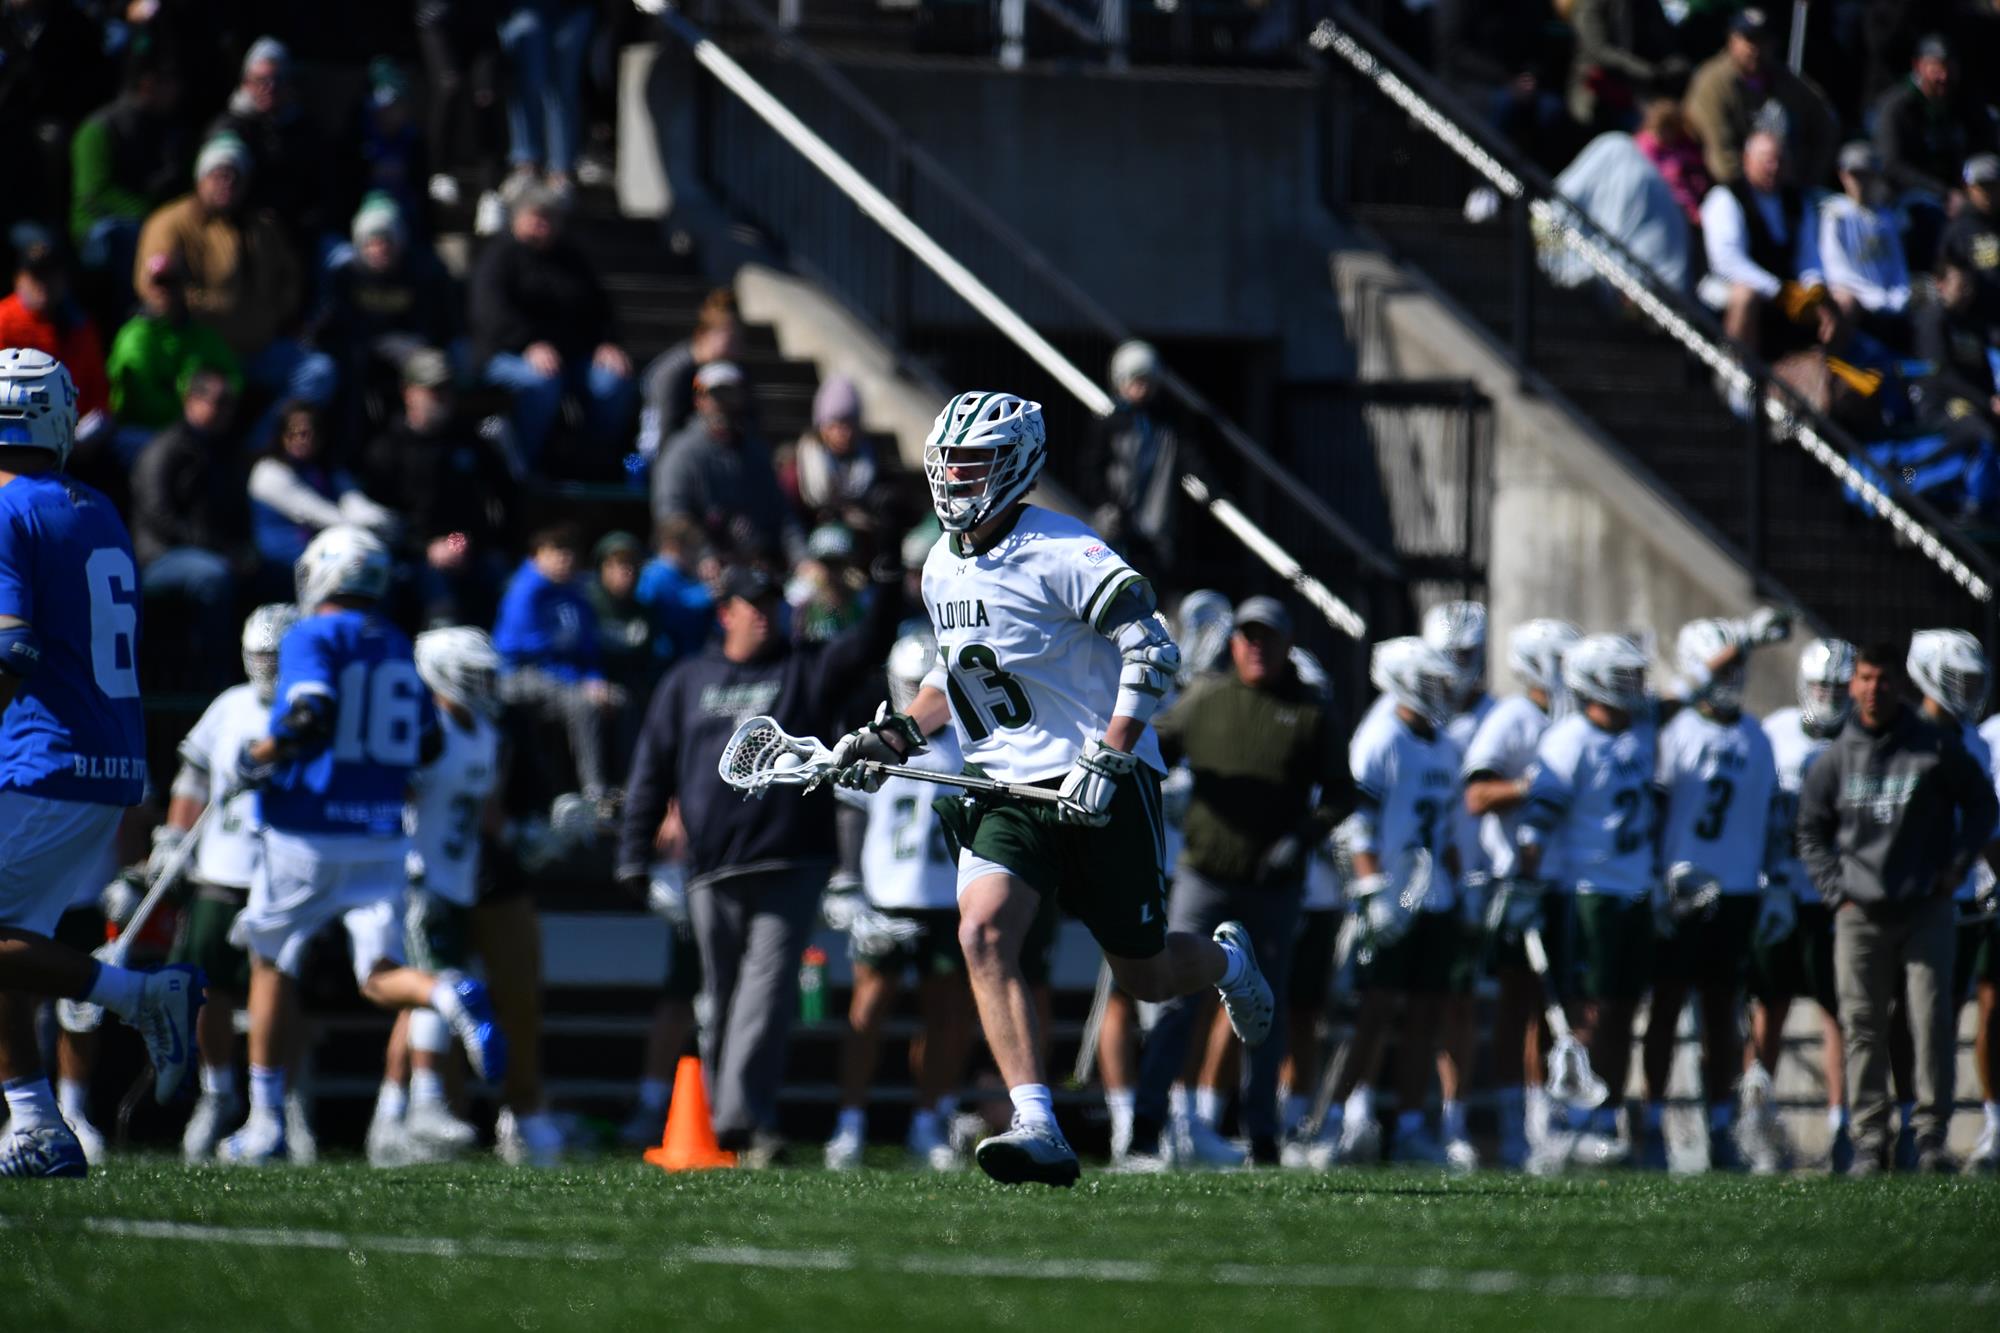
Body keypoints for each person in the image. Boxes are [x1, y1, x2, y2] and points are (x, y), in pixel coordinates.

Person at [819, 390, 1277, 1187]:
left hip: (1099, 781)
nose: (955, 478)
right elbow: (954, 675)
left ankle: (1227, 961)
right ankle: (1038, 1122)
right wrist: (895, 733)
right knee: (983, 931)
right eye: (947, 463)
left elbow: (1153, 648)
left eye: (972, 464)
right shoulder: (941, 561)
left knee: (1145, 974)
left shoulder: (1064, 548)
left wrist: (1110, 752)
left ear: (1017, 464)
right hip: (1005, 788)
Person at [218, 525, 507, 1164]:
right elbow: (427, 743)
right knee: (378, 976)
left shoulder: (312, 636)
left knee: (271, 962)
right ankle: (443, 992)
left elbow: (308, 714)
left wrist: (258, 755)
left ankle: (264, 1123)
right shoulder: (397, 644)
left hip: (307, 829)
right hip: (378, 836)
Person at [616, 559, 904, 1163]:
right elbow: (651, 770)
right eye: (752, 603)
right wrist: (633, 856)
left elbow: (868, 644)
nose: (764, 613)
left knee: (766, 993)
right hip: (711, 866)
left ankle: (744, 1122)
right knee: (718, 1000)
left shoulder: (804, 667)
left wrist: (881, 579)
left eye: (772, 602)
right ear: (725, 614)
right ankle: (730, 1121)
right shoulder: (687, 680)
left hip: (791, 861)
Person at [0, 348, 203, 1178]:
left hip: (43, 756)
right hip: (105, 755)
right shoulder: (96, 507)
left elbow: (11, 649)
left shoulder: (9, 508)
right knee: (12, 941)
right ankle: (36, 1127)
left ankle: (139, 993)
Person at [1124, 596, 1352, 1168]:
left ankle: (1264, 1134)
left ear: (1285, 645)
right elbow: (1150, 749)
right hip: (1203, 875)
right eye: (1247, 637)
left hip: (1272, 884)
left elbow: (1342, 792)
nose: (1256, 647)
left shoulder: (1309, 711)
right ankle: (1145, 1130)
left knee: (1262, 1008)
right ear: (1233, 644)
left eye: (1267, 637)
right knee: (1174, 997)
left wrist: (1300, 837)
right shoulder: (1206, 698)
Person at [1797, 640, 1998, 1174]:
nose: (1871, 689)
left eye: (1881, 680)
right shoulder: (1837, 754)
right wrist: (1833, 890)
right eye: (1863, 678)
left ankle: (1930, 1136)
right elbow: (1810, 828)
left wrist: (1957, 863)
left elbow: (1982, 805)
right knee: (1862, 1026)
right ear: (1852, 684)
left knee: (1930, 1022)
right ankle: (1868, 1139)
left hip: (1923, 907)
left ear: (1898, 686)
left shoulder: (1932, 746)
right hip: (1858, 912)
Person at [370, 628, 558, 1166]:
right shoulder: (421, 728)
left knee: (437, 990)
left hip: (457, 877)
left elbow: (486, 816)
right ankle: (412, 1109)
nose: (488, 685)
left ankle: (396, 1117)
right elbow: (391, 794)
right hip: (419, 878)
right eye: (477, 675)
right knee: (435, 988)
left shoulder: (485, 733)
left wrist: (533, 838)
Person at [1307, 637, 1465, 1169]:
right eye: (1434, 682)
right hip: (1387, 900)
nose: (1445, 691)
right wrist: (1373, 894)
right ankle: (1342, 1122)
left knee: (1426, 1013)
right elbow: (1356, 826)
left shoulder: (1443, 741)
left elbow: (1447, 825)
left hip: (1433, 898)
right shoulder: (1379, 737)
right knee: (1370, 1015)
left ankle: (1411, 1126)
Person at [823, 633, 978, 1173]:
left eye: (923, 683)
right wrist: (846, 882)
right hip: (885, 895)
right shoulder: (874, 739)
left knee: (946, 1016)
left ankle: (927, 1120)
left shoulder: (965, 741)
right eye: (908, 683)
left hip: (946, 896)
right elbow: (850, 810)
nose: (915, 692)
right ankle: (849, 1121)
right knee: (868, 1008)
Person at [1640, 618, 1782, 1173]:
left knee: (1723, 1013)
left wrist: (1776, 888)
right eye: (1726, 665)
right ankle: (1651, 1124)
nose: (1735, 677)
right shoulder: (1673, 731)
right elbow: (1652, 812)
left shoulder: (1758, 737)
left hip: (1739, 889)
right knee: (1667, 1008)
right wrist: (1655, 879)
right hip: (1679, 887)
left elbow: (1772, 822)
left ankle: (1720, 1125)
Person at [1515, 634, 1657, 1168]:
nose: (1636, 686)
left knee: (1623, 1011)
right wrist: (1527, 885)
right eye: (1624, 676)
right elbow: (1536, 825)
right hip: (1587, 893)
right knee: (1587, 1013)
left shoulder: (1640, 733)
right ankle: (1569, 1118)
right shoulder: (1569, 739)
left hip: (1635, 889)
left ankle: (1609, 1114)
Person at [1461, 617, 1581, 1169]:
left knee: (1563, 1006)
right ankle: (1518, 1124)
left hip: (1567, 879)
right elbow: (1478, 795)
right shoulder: (1512, 717)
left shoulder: (1575, 719)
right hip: (1520, 879)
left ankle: (1552, 1118)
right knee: (1519, 1005)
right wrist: (1531, 786)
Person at [133, 134, 332, 417]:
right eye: (218, 174)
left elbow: (289, 276)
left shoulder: (263, 225)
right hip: (202, 350)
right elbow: (154, 284)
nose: (227, 182)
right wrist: (210, 312)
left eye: (234, 176)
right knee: (209, 397)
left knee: (318, 371)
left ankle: (264, 443)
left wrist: (274, 314)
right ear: (200, 178)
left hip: (260, 346)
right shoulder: (170, 223)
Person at [1753, 638, 1858, 1174]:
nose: (1828, 697)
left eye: (1838, 688)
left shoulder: (1861, 741)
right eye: (1820, 687)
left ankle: (1842, 1124)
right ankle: (1758, 1121)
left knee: (1835, 1009)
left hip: (1830, 895)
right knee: (1768, 1006)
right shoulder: (1773, 732)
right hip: (1779, 889)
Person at [1904, 631, 2000, 1171]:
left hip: (1964, 894)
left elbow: (1986, 822)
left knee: (1948, 1019)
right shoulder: (1907, 735)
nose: (1966, 691)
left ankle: (1931, 1132)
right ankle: (1900, 1125)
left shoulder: (1979, 741)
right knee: (1911, 1019)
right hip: (1914, 897)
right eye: (1957, 679)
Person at [470, 179, 633, 468]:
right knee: (541, 381)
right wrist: (528, 345)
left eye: (551, 218)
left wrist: (607, 343)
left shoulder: (571, 258)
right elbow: (491, 314)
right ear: (518, 218)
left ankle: (598, 463)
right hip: (507, 354)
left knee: (612, 381)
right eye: (537, 217)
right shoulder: (499, 256)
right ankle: (526, 465)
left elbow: (599, 308)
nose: (544, 225)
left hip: (572, 357)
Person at [360, 349, 518, 629]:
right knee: (440, 606)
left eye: (446, 389)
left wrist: (461, 542)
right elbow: (380, 518)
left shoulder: (469, 441)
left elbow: (502, 498)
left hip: (467, 549)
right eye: (433, 390)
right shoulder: (386, 449)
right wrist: (426, 548)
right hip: (408, 554)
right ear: (409, 392)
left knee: (510, 589)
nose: (442, 398)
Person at [129, 369, 251, 690]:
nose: (226, 410)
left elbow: (239, 513)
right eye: (218, 401)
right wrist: (218, 549)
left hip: (215, 552)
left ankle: (266, 678)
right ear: (191, 401)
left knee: (279, 573)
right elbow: (158, 515)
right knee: (213, 576)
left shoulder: (226, 451)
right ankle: (214, 685)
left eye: (231, 403)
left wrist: (245, 549)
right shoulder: (165, 448)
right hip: (159, 557)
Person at [493, 523, 622, 806]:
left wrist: (595, 678)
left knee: (619, 700)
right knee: (583, 704)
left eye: (568, 553)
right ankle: (595, 793)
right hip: (520, 677)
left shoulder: (575, 594)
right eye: (555, 552)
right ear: (537, 556)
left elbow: (587, 651)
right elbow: (523, 652)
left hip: (566, 677)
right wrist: (580, 682)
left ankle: (625, 785)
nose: (564, 559)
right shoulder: (524, 592)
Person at [1698, 131, 1837, 359]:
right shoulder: (1725, 197)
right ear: (1747, 160)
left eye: (1780, 160)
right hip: (1724, 289)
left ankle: (1821, 378)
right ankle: (1737, 382)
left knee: (1834, 302)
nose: (1773, 167)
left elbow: (1808, 255)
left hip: (1784, 291)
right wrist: (1777, 290)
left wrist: (1814, 287)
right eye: (1766, 160)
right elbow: (1726, 261)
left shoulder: (1796, 201)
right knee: (1746, 296)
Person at [1076, 341, 1199, 592]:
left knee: (1152, 587)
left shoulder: (1166, 425)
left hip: (1153, 525)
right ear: (1119, 380)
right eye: (1135, 381)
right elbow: (1091, 468)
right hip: (1115, 522)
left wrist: (1211, 485)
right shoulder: (1109, 424)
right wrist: (1104, 503)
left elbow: (1190, 456)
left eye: (1147, 382)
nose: (1141, 388)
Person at [652, 361, 800, 564]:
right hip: (696, 568)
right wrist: (705, 555)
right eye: (716, 395)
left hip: (755, 565)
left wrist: (804, 560)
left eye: (731, 394)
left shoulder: (756, 452)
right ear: (699, 400)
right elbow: (671, 515)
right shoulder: (681, 453)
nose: (723, 404)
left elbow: (782, 516)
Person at [313, 194, 460, 395]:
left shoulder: (419, 274)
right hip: (358, 351)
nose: (378, 250)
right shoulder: (346, 277)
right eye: (371, 244)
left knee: (431, 369)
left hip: (407, 347)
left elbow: (431, 325)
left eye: (385, 243)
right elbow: (336, 322)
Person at [68, 43, 188, 288]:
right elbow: (95, 194)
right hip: (96, 226)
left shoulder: (167, 130)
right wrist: (150, 215)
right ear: (148, 85)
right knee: (130, 235)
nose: (177, 91)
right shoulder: (98, 129)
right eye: (169, 83)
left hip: (148, 218)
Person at [208, 37, 337, 261]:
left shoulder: (306, 130)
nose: (269, 88)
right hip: (241, 230)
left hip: (295, 232)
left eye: (277, 79)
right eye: (260, 80)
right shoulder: (229, 128)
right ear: (245, 82)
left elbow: (324, 188)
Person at [1682, 7, 1838, 187]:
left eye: (1762, 40)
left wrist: (1808, 179)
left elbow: (1825, 123)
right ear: (1732, 40)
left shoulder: (1786, 80)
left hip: (1788, 188)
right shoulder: (1712, 83)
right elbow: (1720, 155)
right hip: (1732, 189)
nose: (1755, 48)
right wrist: (1748, 196)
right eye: (1749, 40)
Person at [105, 253, 242, 445]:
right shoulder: (135, 336)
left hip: (197, 430)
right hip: (143, 432)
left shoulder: (201, 334)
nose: (166, 290)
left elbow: (233, 377)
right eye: (159, 282)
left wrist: (217, 397)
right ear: (147, 287)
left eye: (173, 282)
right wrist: (191, 404)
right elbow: (142, 398)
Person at [248, 401, 395, 569]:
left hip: (327, 554)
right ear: (281, 434)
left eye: (311, 431)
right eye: (294, 431)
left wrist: (386, 522)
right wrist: (371, 528)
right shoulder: (268, 472)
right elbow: (319, 514)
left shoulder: (328, 469)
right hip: (284, 564)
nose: (302, 438)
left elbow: (354, 501)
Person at [0, 230, 108, 429]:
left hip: (76, 434)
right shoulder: (4, 321)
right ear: (19, 279)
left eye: (51, 274)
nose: (44, 284)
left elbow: (99, 396)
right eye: (37, 275)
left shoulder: (80, 325)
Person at [1872, 34, 1997, 205]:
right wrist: (1942, 192)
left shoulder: (1967, 102)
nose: (1943, 76)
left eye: (1950, 68)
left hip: (1966, 193)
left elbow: (1984, 146)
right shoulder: (1895, 107)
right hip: (1913, 196)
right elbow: (1891, 165)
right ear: (1918, 66)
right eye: (1937, 68)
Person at [1818, 143, 1913, 348]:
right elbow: (1836, 269)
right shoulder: (1835, 214)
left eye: (1866, 174)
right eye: (1855, 174)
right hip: (1860, 301)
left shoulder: (1887, 218)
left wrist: (1898, 297)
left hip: (1888, 304)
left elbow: (1898, 266)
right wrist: (1874, 297)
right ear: (1842, 175)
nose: (1860, 181)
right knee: (1844, 304)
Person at [499, 1, 597, 199]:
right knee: (526, 83)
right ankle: (526, 165)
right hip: (523, 8)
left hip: (573, 10)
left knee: (563, 90)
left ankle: (561, 171)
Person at [637, 287, 742, 458]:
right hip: (645, 458)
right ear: (703, 334)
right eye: (731, 340)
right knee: (633, 466)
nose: (737, 349)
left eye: (739, 340)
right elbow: (661, 437)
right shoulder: (673, 373)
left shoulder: (727, 371)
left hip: (689, 457)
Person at [784, 375, 878, 523]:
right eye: (836, 425)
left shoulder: (870, 465)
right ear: (821, 427)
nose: (844, 433)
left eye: (849, 424)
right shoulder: (796, 473)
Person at [1940, 155, 2000, 328]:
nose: (1988, 193)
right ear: (1968, 188)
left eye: (1993, 186)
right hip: (1980, 324)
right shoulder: (1958, 229)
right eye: (1982, 187)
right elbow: (1946, 275)